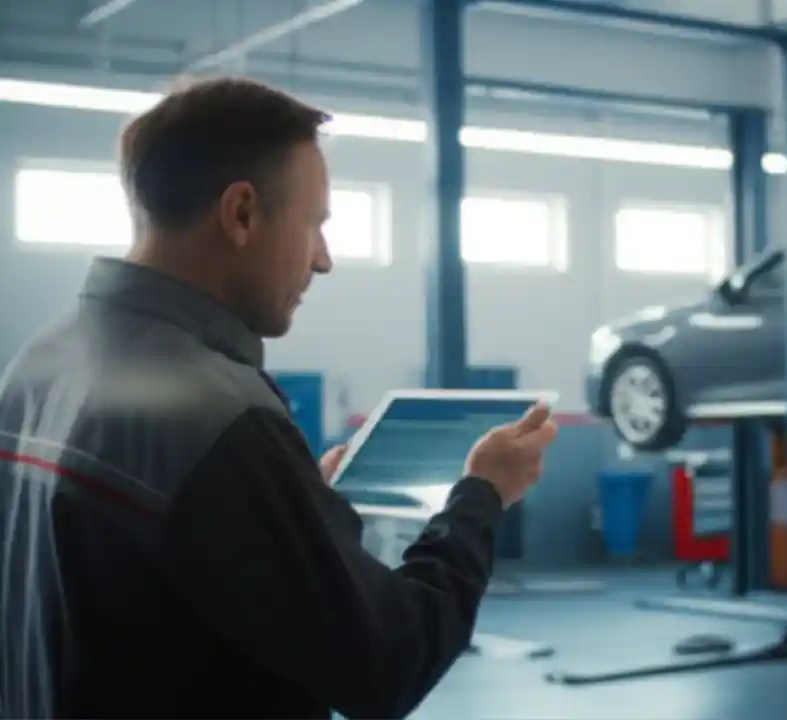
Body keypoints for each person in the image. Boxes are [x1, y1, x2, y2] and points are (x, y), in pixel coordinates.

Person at [0, 77, 557, 718]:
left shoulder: (39, 363)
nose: (323, 259)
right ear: (241, 213)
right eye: (314, 224)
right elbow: (388, 662)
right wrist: (482, 496)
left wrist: (290, 504)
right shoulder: (218, 418)